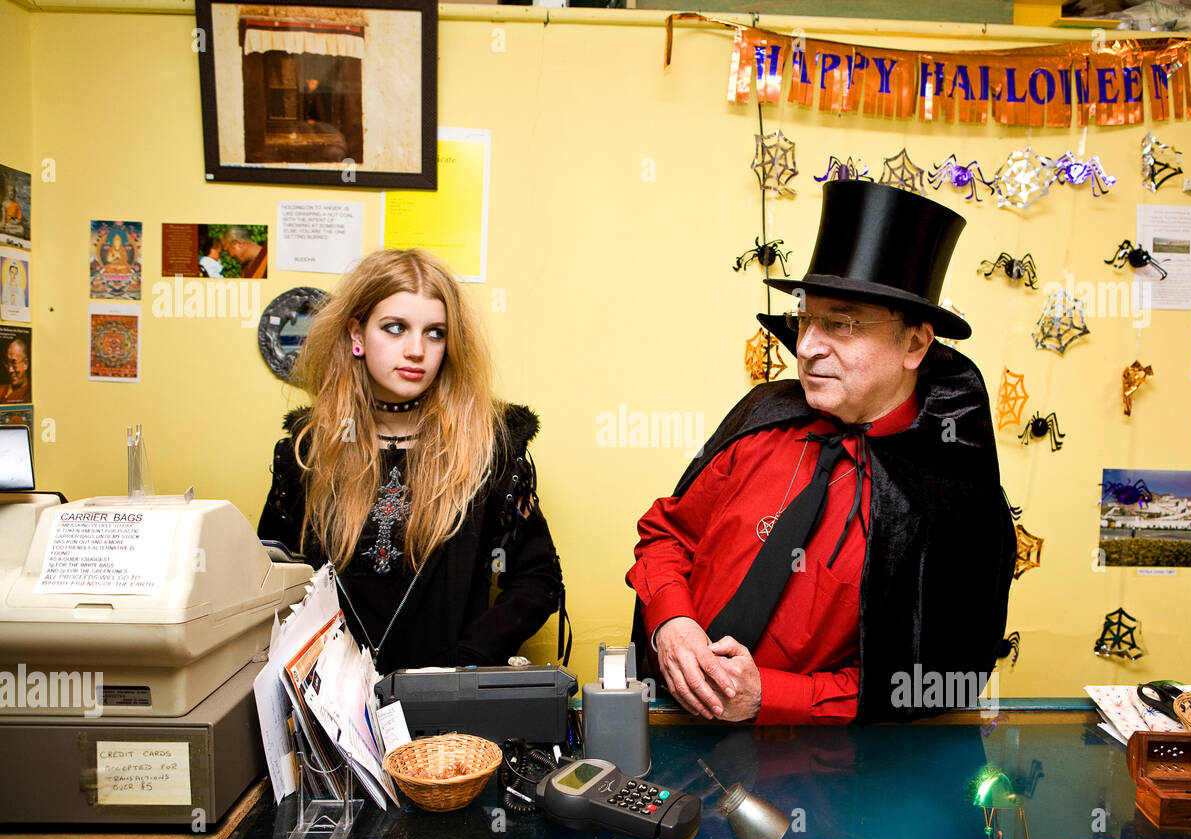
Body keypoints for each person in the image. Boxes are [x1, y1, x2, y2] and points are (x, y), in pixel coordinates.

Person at [627, 180, 1016, 726]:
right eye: (806, 319)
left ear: (915, 344)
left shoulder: (954, 498)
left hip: (824, 774)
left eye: (841, 323)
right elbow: (668, 536)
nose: (807, 346)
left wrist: (771, 696)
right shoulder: (763, 418)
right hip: (672, 731)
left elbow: (934, 680)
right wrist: (671, 621)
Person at [258, 248, 564, 673]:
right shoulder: (309, 452)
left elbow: (537, 581)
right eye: (395, 328)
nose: (417, 350)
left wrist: (465, 662)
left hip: (445, 719)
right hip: (328, 712)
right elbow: (272, 583)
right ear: (357, 335)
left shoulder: (488, 450)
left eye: (435, 333)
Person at [0, 338, 30, 404]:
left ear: (25, 363)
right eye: (8, 363)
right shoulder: (1, 390)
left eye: (14, 363)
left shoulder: (30, 393)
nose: (10, 370)